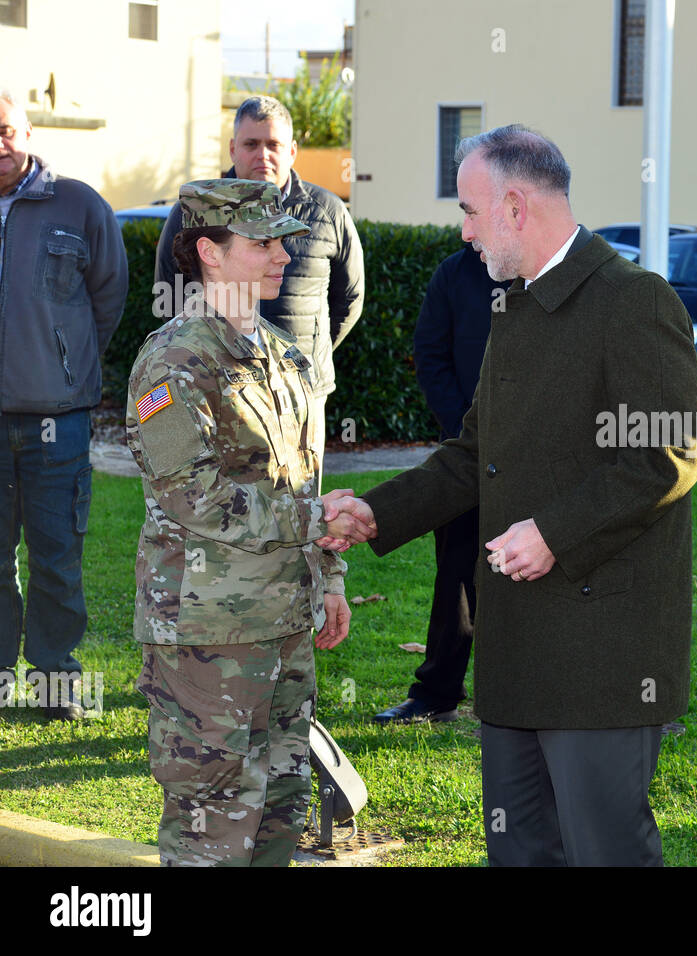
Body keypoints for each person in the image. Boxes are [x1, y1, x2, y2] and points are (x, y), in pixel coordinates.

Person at [324, 125, 697, 865]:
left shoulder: (634, 301)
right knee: (520, 852)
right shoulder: (516, 306)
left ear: (516, 205)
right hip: (517, 650)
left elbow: (667, 456)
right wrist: (379, 511)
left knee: (606, 851)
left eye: (469, 212)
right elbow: (476, 455)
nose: (464, 233)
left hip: (601, 657)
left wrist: (556, 532)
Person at [126, 179, 370, 867]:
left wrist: (329, 579)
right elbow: (190, 496)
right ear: (210, 251)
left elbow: (301, 478)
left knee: (279, 817)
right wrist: (314, 517)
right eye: (263, 242)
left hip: (282, 624)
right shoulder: (172, 363)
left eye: (284, 241)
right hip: (209, 638)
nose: (284, 256)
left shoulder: (284, 357)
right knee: (213, 825)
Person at [0, 90, 127, 720]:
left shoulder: (78, 205)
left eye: (5, 130)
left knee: (56, 559)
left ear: (27, 131)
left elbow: (108, 296)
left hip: (58, 421)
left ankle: (55, 683)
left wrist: (64, 364)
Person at [154, 95, 364, 471]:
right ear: (233, 148)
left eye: (274, 145)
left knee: (297, 508)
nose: (262, 155)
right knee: (218, 504)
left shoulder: (328, 212)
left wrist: (300, 355)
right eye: (251, 144)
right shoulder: (194, 213)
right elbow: (169, 294)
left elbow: (348, 299)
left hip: (300, 393)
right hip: (215, 389)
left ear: (293, 151)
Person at [373, 246, 508, 725]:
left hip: (540, 458)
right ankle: (436, 693)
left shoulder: (550, 268)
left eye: (473, 208)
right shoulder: (454, 272)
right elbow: (430, 355)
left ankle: (529, 692)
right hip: (466, 454)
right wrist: (466, 434)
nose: (467, 226)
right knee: (455, 571)